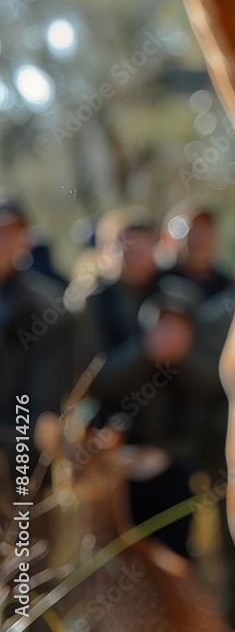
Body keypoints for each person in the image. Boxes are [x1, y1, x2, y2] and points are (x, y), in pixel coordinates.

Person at [72, 207, 222, 557]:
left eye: (140, 248)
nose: (133, 257)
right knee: (113, 559)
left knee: (174, 557)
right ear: (107, 251)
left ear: (155, 248)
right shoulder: (92, 303)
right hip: (112, 461)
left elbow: (210, 383)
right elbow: (92, 381)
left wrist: (180, 354)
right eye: (124, 248)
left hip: (174, 456)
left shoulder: (183, 297)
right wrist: (147, 350)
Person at [0, 198, 74, 484]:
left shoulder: (48, 308)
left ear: (26, 239)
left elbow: (44, 398)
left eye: (10, 232)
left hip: (22, 456)